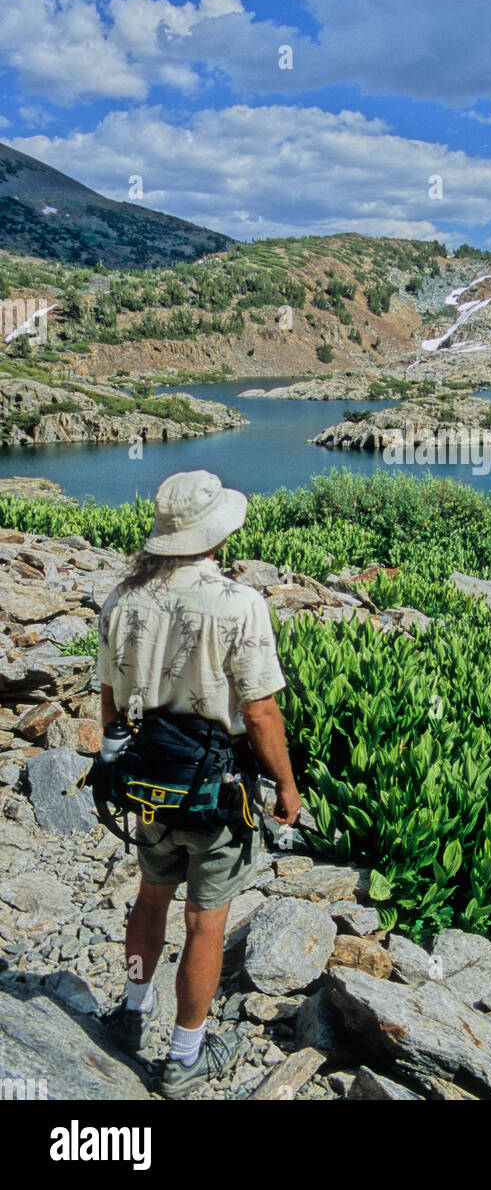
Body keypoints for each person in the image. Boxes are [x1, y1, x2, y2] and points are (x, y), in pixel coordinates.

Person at [96, 470, 302, 1099]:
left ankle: (132, 1012)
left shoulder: (121, 600)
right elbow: (261, 712)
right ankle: (184, 1056)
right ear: (216, 534)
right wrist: (286, 787)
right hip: (214, 787)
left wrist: (116, 757)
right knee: (205, 920)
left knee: (151, 896)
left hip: (149, 780)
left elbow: (109, 698)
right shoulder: (240, 603)